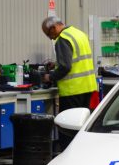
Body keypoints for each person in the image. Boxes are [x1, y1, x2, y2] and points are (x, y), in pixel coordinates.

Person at [41, 16, 97, 149]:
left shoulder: (62, 39)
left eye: (49, 34)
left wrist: (50, 77)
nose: (51, 38)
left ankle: (67, 155)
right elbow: (77, 59)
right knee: (83, 126)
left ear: (54, 27)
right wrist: (56, 63)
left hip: (73, 91)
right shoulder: (79, 34)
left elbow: (66, 67)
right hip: (88, 87)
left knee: (68, 128)